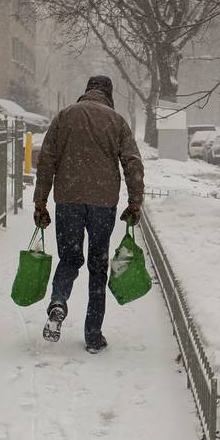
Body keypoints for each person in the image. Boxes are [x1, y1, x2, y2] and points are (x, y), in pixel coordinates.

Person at [34, 75, 145, 353]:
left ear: (87, 91)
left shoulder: (64, 116)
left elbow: (47, 159)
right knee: (97, 266)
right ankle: (93, 336)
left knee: (70, 258)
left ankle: (58, 301)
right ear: (108, 95)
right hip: (102, 203)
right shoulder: (117, 122)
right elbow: (132, 163)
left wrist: (40, 202)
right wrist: (135, 202)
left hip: (68, 199)